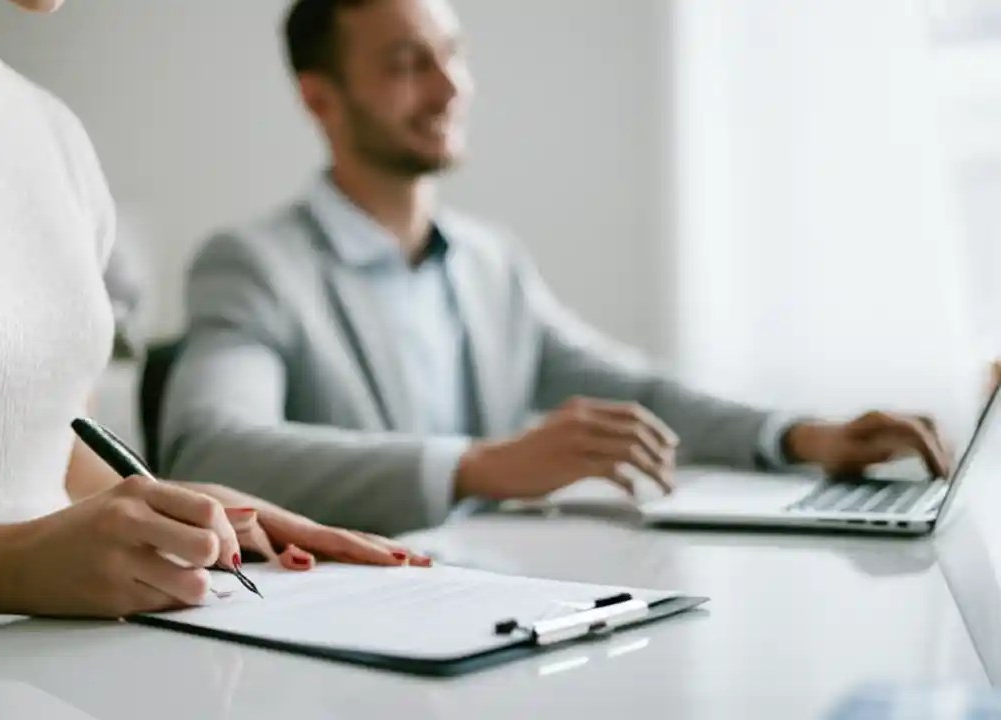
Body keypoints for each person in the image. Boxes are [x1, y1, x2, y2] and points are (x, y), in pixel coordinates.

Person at [0, 0, 427, 713]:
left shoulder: (55, 135)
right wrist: (5, 565)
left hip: (53, 675)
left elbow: (52, 457)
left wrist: (178, 510)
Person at [160, 0, 953, 537]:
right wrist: (479, 467)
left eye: (453, 55)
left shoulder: (487, 262)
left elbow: (634, 390)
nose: (450, 88)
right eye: (409, 64)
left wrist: (800, 436)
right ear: (320, 98)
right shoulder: (255, 266)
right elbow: (212, 452)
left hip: (501, 592)